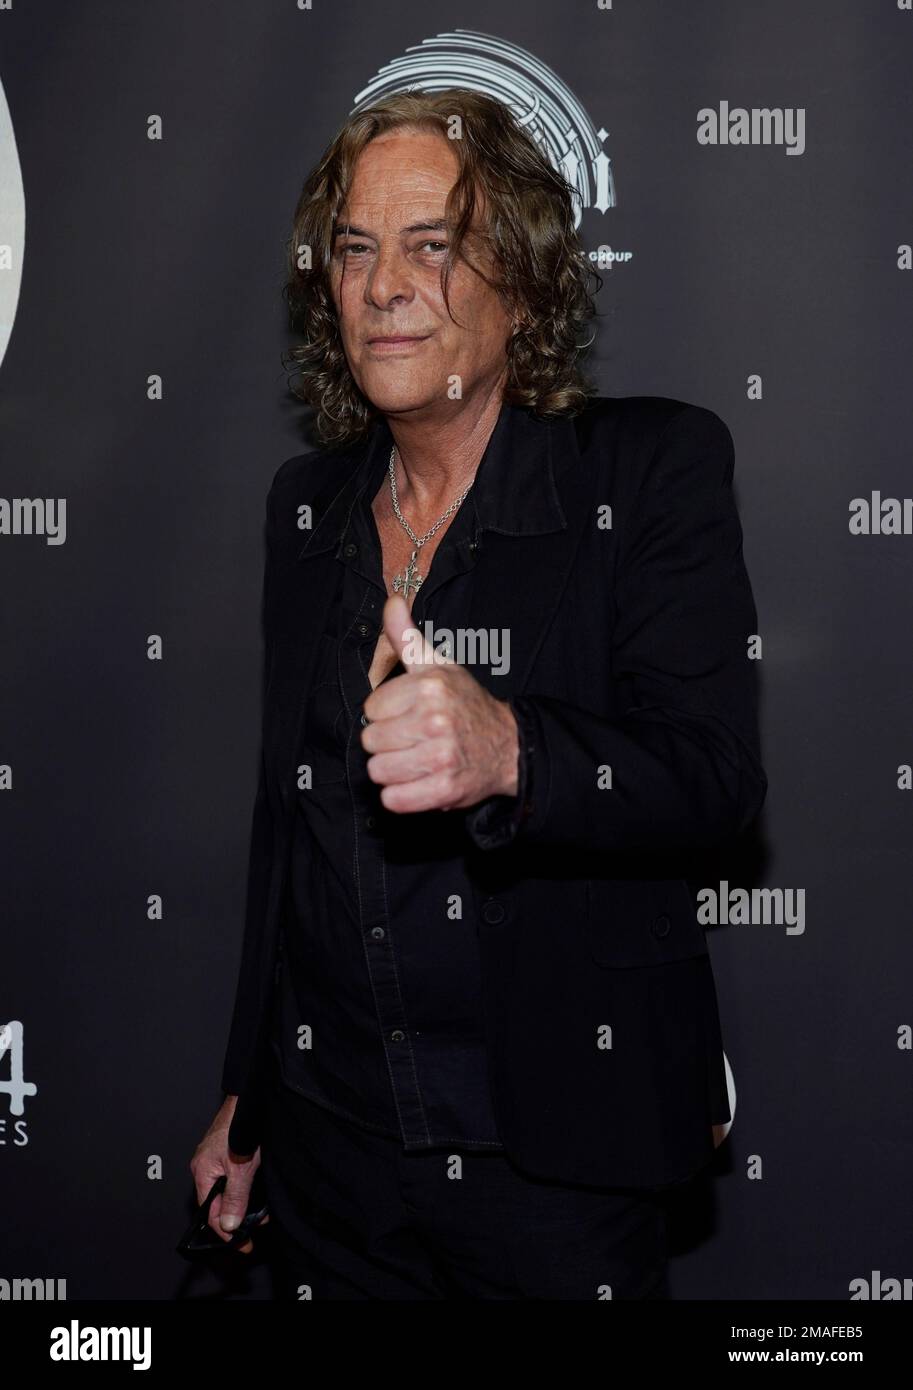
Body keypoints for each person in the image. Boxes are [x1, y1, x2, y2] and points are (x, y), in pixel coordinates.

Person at [190, 88, 767, 1300]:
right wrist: (250, 1097)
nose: (382, 284)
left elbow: (714, 781)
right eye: (354, 249)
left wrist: (512, 751)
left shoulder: (650, 469)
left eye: (430, 245)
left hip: (555, 1165)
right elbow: (287, 831)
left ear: (521, 277)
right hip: (335, 1151)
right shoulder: (307, 507)